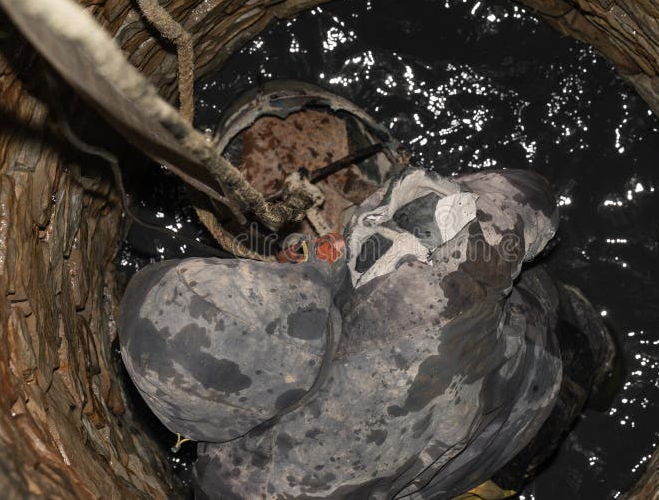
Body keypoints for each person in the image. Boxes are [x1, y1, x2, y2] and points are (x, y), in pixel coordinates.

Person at [118, 167, 614, 499]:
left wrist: (317, 275)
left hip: (473, 475)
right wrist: (363, 238)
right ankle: (609, 377)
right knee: (584, 346)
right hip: (537, 374)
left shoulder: (230, 481)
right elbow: (529, 199)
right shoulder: (423, 294)